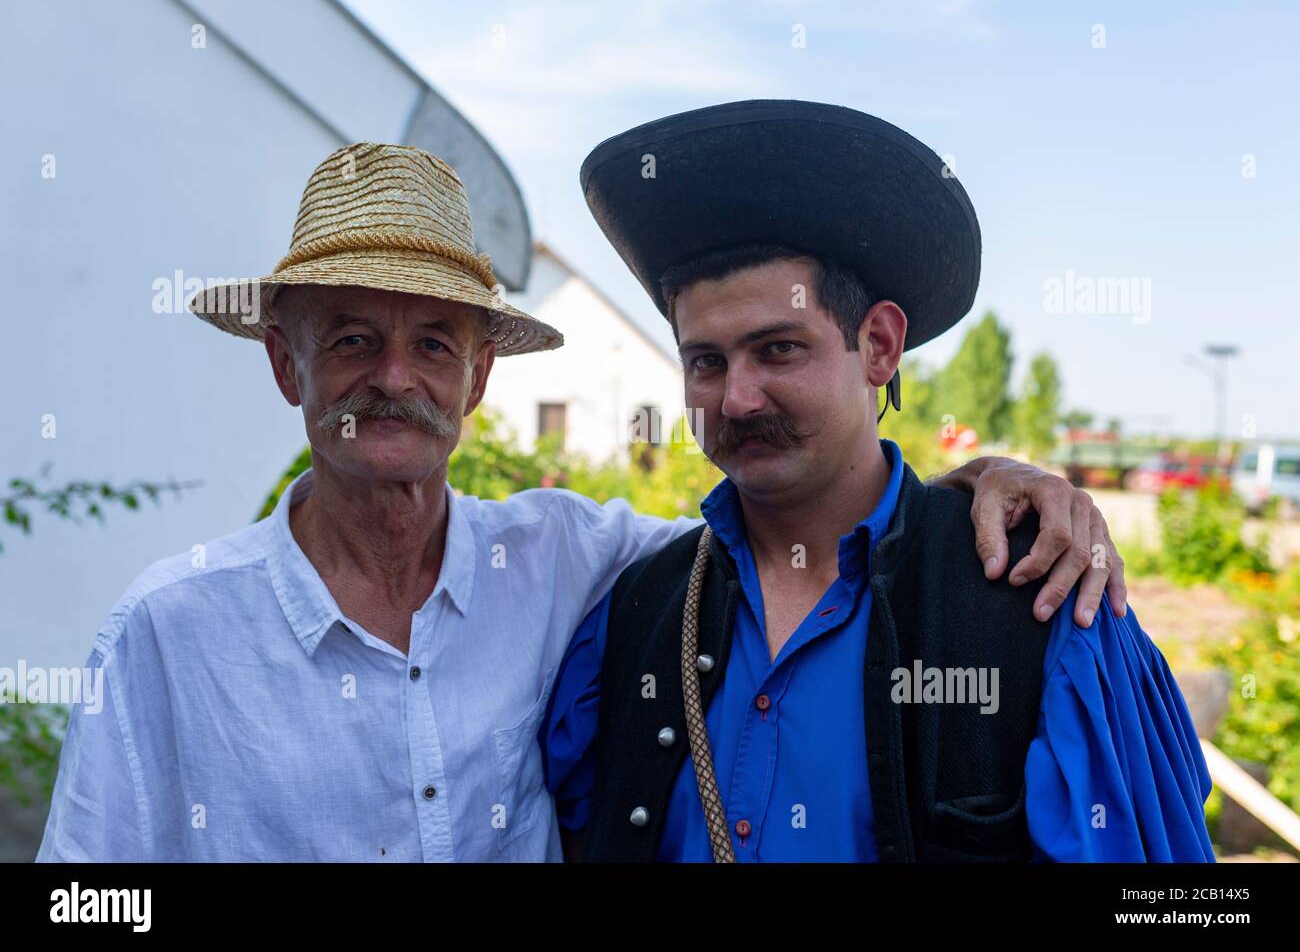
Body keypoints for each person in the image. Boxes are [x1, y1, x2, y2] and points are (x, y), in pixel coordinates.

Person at [39, 141, 1126, 862]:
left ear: (479, 378)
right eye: (352, 340)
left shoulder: (567, 560)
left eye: (432, 344)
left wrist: (983, 485)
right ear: (288, 366)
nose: (394, 378)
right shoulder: (168, 632)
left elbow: (802, 523)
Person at [542, 100, 1213, 862]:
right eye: (707, 362)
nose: (736, 398)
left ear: (880, 347)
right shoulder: (634, 609)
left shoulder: (1049, 601)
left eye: (779, 349)